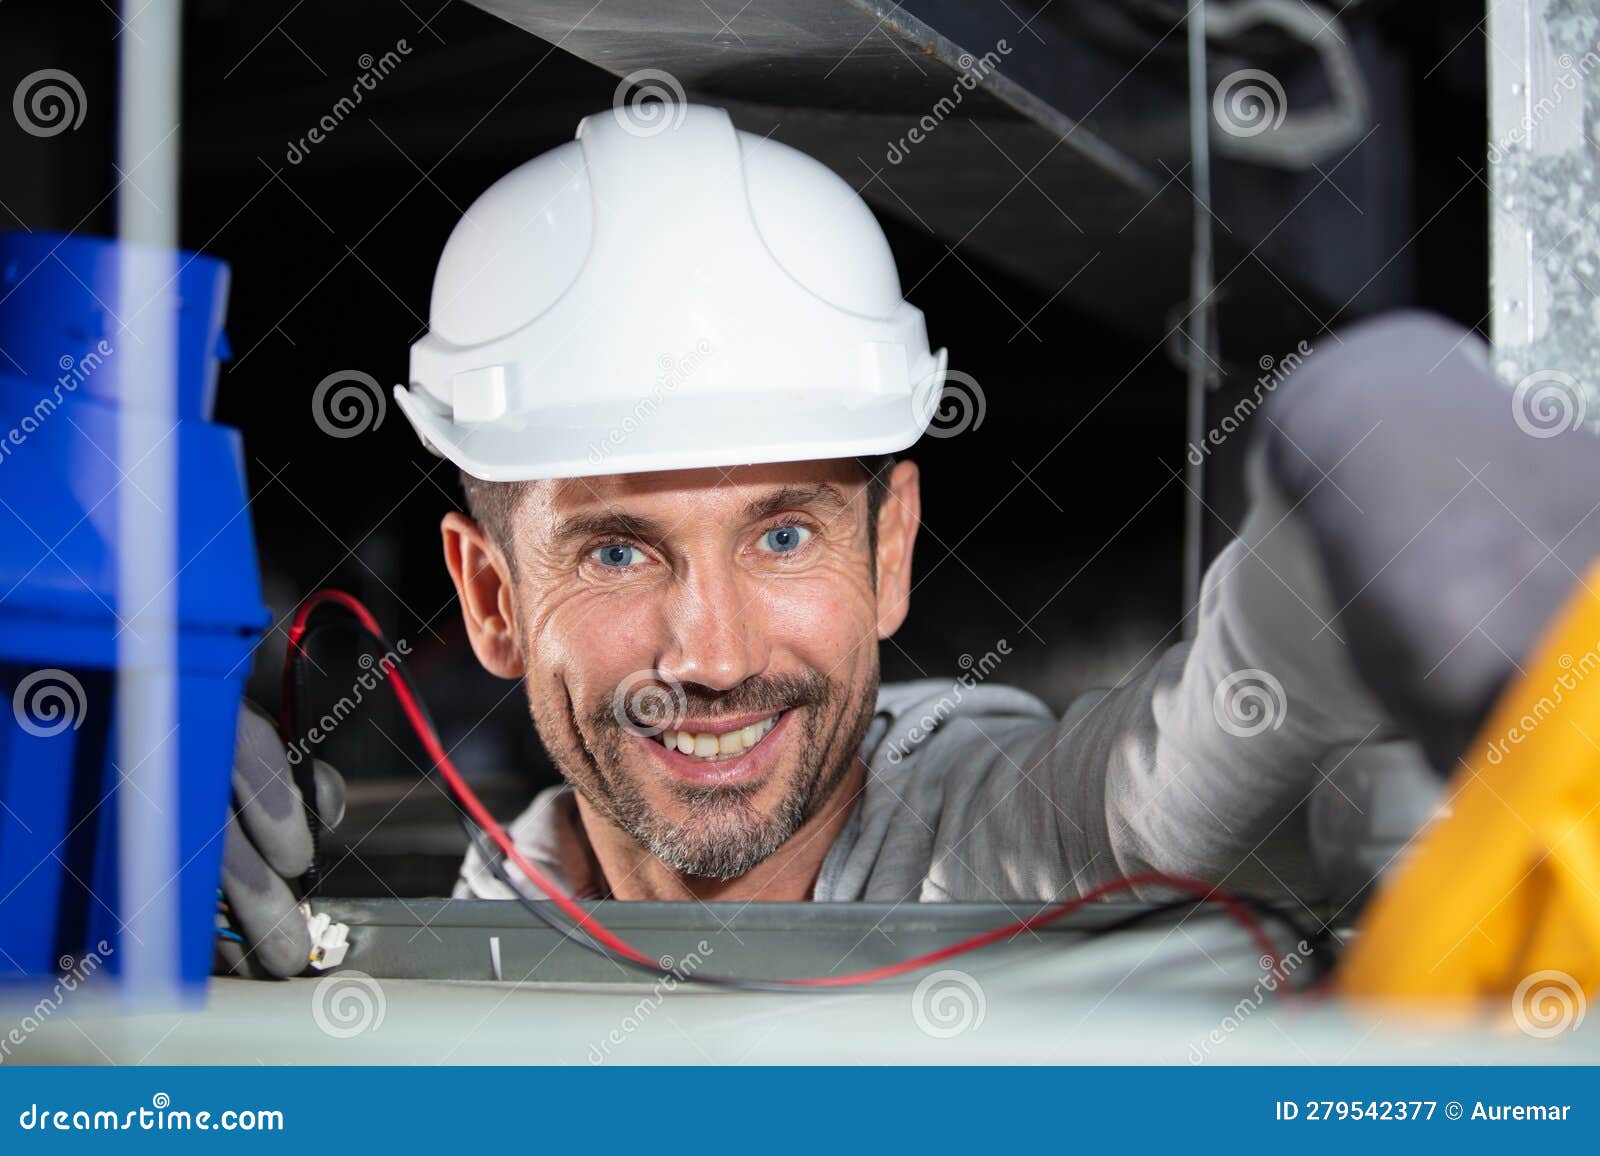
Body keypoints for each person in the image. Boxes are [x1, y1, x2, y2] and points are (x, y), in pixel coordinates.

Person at [217, 104, 1600, 978]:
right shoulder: (472, 927)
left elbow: (1194, 756)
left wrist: (1383, 428)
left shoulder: (1001, 837)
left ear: (890, 553)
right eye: (621, 553)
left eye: (782, 537)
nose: (712, 657)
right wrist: (108, 865)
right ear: (488, 594)